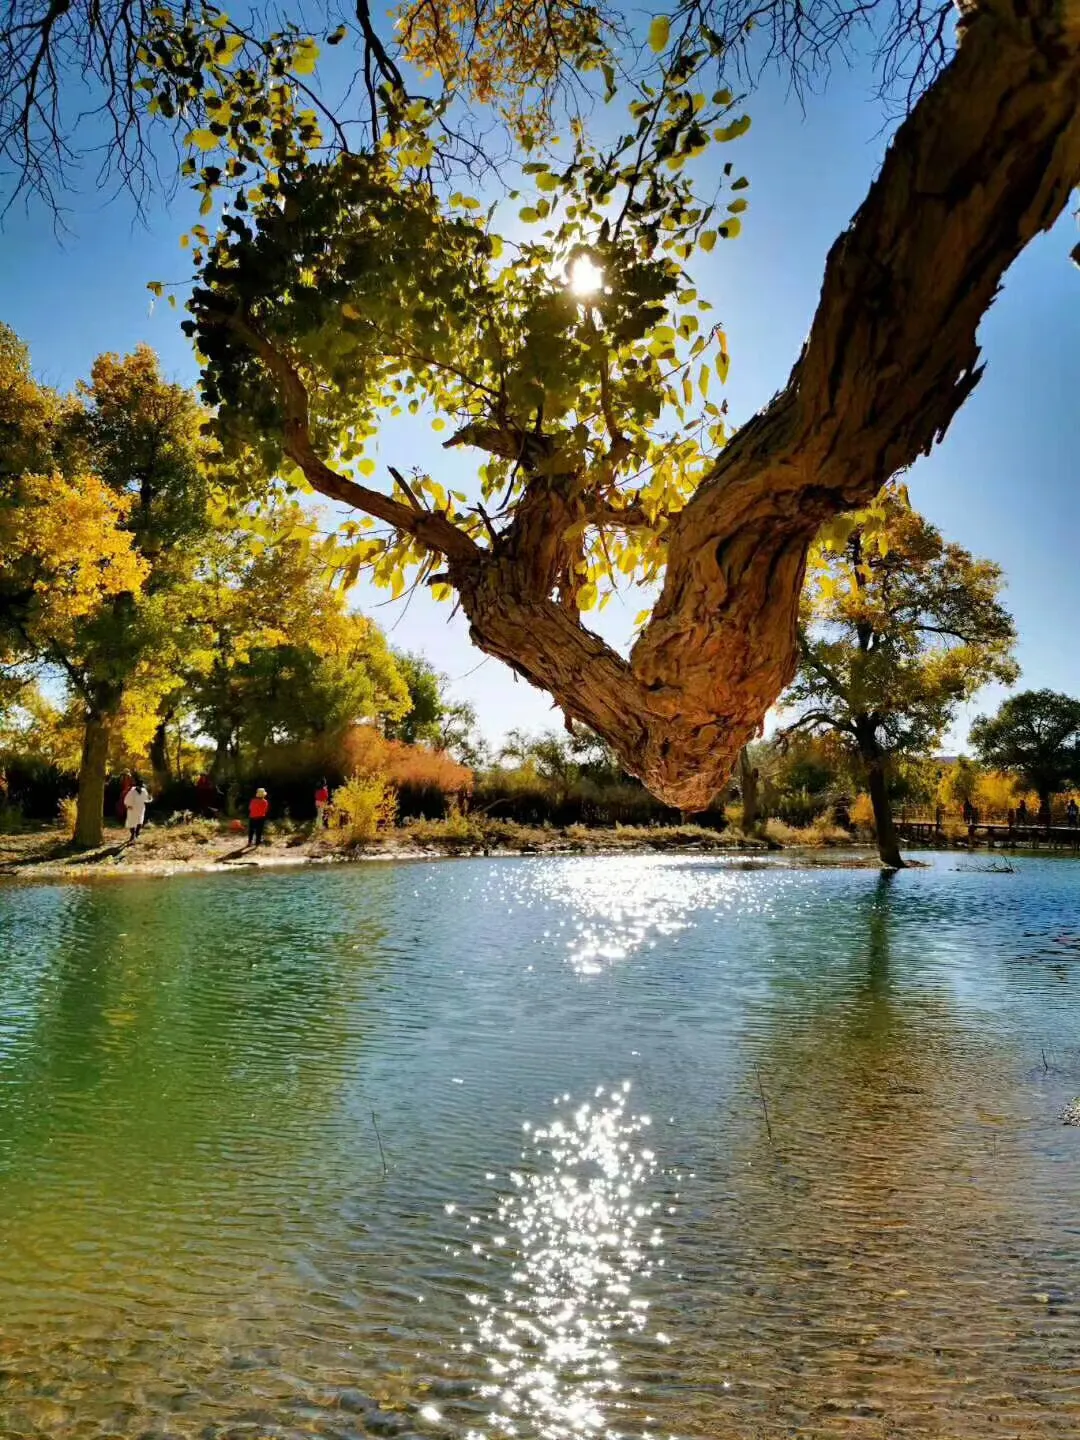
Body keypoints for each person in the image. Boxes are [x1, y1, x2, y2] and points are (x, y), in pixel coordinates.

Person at [123, 776, 152, 841]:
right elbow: (126, 800)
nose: (140, 787)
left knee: (139, 821)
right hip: (133, 808)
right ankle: (133, 835)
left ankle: (136, 834)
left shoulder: (143, 791)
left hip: (140, 808)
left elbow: (146, 799)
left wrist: (149, 798)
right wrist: (128, 805)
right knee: (132, 822)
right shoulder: (132, 791)